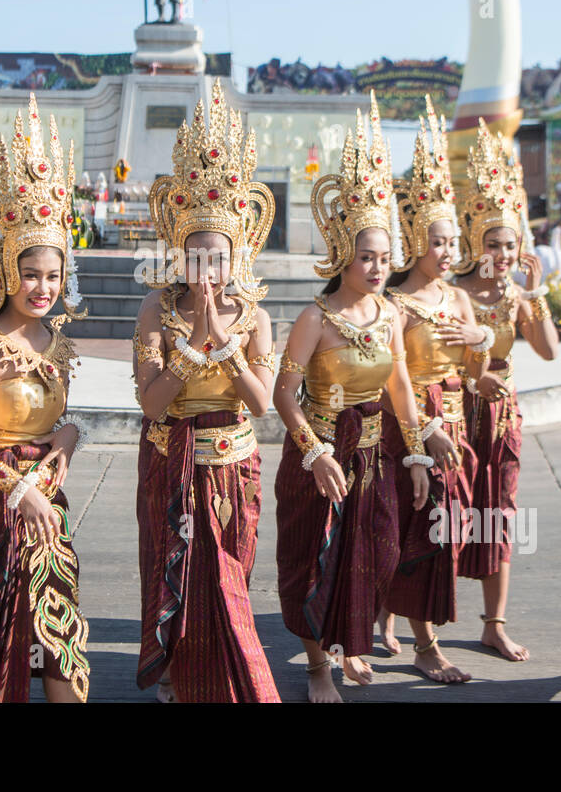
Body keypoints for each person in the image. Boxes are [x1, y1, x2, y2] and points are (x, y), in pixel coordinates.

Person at [274, 94, 432, 702]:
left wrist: (415, 454)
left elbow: (399, 387)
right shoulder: (316, 317)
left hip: (373, 452)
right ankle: (318, 664)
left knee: (376, 551)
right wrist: (314, 453)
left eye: (384, 257)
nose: (375, 267)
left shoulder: (390, 312)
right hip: (322, 450)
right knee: (315, 556)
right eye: (366, 256)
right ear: (343, 254)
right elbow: (285, 393)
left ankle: (352, 643)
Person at [133, 80, 280, 703]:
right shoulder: (154, 310)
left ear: (237, 254)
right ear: (179, 254)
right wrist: (193, 339)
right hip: (173, 460)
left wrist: (222, 335)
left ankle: (223, 671)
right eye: (196, 258)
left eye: (218, 258)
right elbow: (151, 403)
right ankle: (175, 670)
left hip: (233, 462)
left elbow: (262, 401)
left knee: (232, 577)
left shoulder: (255, 315)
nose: (207, 272)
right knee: (177, 574)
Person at [0, 93, 91, 703]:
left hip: (46, 505)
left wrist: (66, 437)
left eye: (53, 275)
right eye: (31, 273)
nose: (43, 287)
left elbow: (58, 419)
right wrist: (17, 487)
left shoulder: (55, 338)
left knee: (59, 634)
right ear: (6, 268)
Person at [379, 97, 489, 684]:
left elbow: (474, 371)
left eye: (454, 242)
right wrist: (420, 435)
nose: (449, 252)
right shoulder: (395, 304)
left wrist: (481, 336)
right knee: (421, 527)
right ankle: (428, 646)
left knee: (450, 527)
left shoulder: (460, 299)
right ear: (415, 239)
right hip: (413, 421)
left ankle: (390, 609)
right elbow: (390, 377)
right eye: (438, 241)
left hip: (459, 420)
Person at [452, 120, 558, 662]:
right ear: (476, 242)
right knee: (439, 507)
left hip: (502, 413)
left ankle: (493, 623)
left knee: (500, 510)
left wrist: (535, 294)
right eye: (492, 243)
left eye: (510, 243)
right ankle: (399, 614)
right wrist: (472, 376)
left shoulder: (519, 296)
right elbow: (432, 360)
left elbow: (548, 351)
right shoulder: (454, 293)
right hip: (452, 409)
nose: (501, 252)